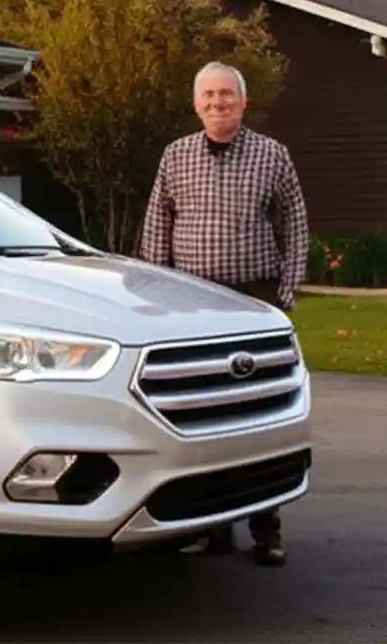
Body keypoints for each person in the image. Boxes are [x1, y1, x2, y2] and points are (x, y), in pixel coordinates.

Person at [138, 61, 310, 567]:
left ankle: (266, 529)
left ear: (243, 102)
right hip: (190, 302)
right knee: (201, 416)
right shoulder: (176, 155)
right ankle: (209, 528)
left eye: (226, 95)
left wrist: (287, 290)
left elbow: (295, 221)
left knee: (258, 417)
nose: (218, 103)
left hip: (253, 300)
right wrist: (154, 294)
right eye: (209, 95)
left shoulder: (272, 154)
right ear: (196, 104)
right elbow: (157, 224)